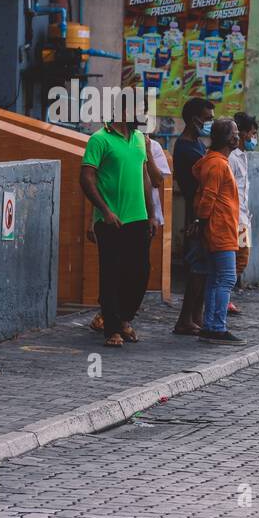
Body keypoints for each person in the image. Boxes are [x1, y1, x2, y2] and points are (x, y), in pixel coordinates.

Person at [80, 115, 157, 348]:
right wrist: (104, 211)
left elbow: (145, 178)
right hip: (111, 220)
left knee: (140, 273)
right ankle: (112, 328)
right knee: (112, 274)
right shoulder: (99, 139)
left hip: (139, 218)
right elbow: (86, 177)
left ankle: (124, 318)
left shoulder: (139, 140)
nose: (144, 116)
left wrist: (152, 214)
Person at [192, 118, 244, 344]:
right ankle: (216, 326)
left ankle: (211, 325)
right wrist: (202, 222)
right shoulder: (218, 164)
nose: (238, 137)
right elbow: (208, 199)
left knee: (215, 279)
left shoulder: (215, 161)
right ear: (229, 138)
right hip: (219, 229)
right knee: (226, 278)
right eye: (235, 133)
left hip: (220, 228)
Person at [172, 97, 214, 336]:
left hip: (199, 211)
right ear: (195, 119)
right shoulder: (186, 147)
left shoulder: (197, 143)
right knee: (197, 268)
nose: (209, 123)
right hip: (196, 212)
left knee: (203, 268)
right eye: (207, 119)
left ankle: (195, 317)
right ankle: (185, 319)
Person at [228, 112, 259, 315]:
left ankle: (225, 296)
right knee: (238, 260)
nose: (254, 138)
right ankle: (223, 297)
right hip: (234, 218)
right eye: (253, 133)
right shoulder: (231, 157)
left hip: (243, 217)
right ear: (244, 133)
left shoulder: (242, 156)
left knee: (241, 259)